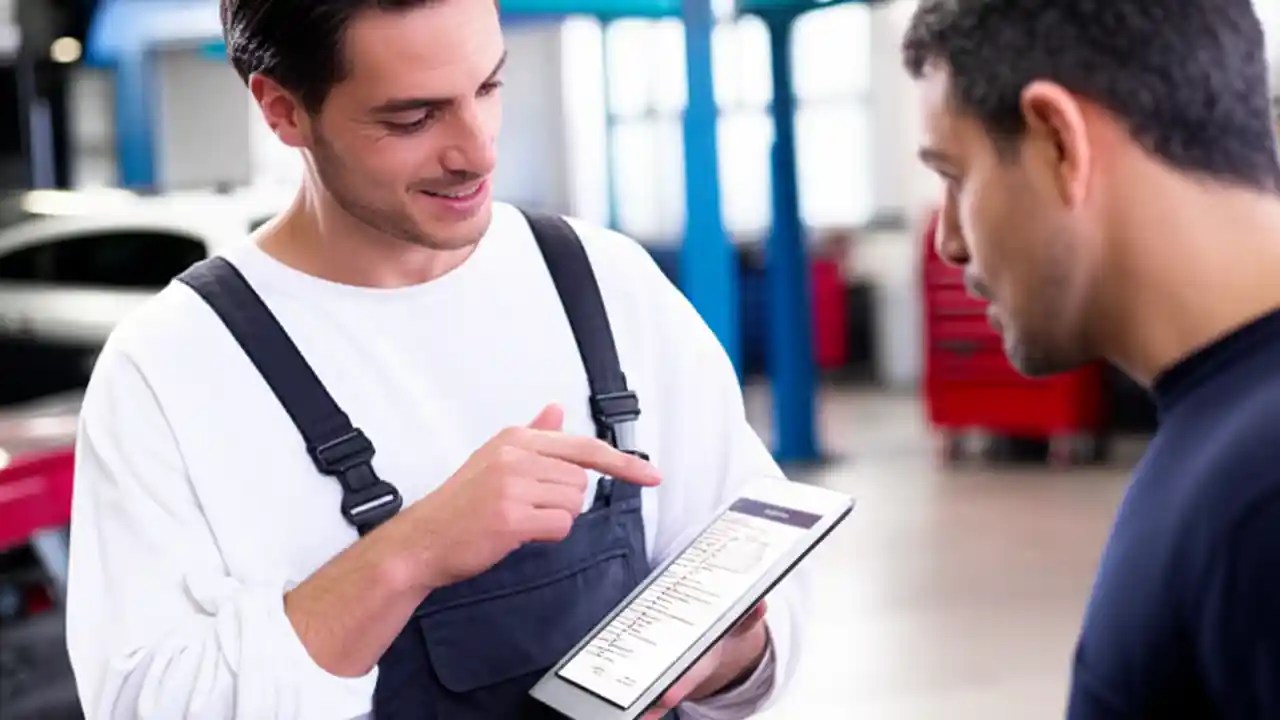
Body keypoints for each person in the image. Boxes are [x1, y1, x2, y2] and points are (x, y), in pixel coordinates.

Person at [63, 1, 808, 718]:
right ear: (283, 110)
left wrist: (729, 657)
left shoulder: (606, 283)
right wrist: (414, 551)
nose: (478, 150)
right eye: (412, 118)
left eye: (488, 87)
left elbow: (761, 595)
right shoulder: (170, 371)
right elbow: (144, 704)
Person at [902, 0, 1280, 717]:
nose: (950, 241)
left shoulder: (1260, 498)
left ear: (1057, 143)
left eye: (956, 175)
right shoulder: (1226, 438)